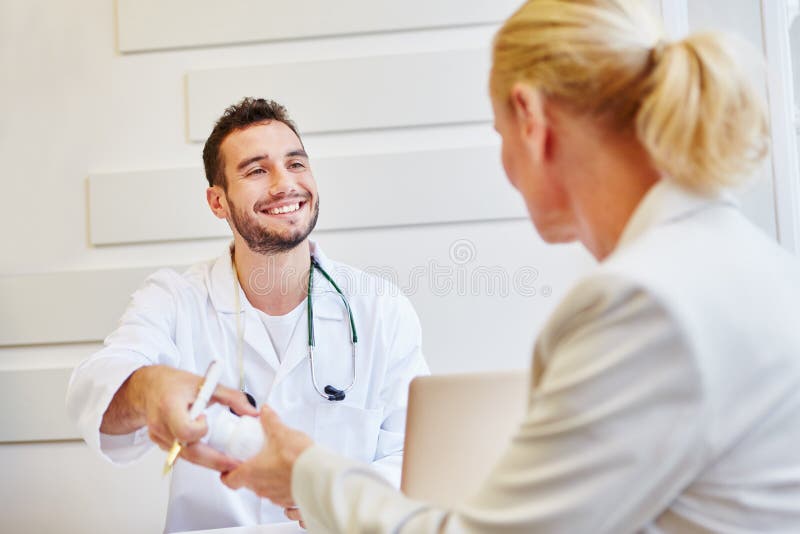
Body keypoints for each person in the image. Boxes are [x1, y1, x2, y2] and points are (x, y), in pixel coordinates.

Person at [218, 1, 800, 532]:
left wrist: (305, 475)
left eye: (500, 134)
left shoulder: (644, 301)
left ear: (530, 118)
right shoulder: (752, 260)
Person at [66, 97, 429, 533]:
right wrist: (148, 388)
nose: (284, 184)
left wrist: (337, 493)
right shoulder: (175, 300)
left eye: (296, 164)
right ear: (216, 202)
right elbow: (95, 387)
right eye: (257, 170)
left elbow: (415, 458)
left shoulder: (379, 309)